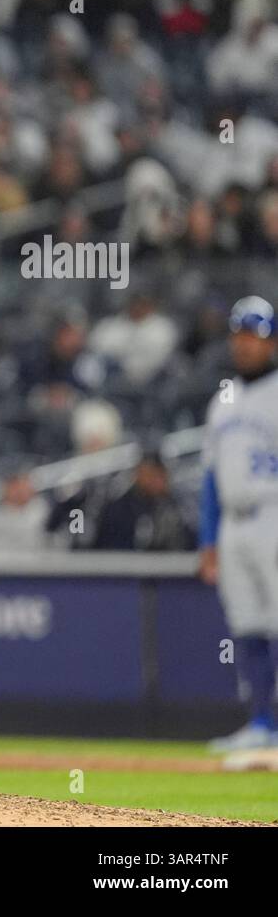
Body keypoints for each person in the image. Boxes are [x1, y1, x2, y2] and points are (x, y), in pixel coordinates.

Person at [199, 296, 278, 752]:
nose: (246, 344)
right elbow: (209, 477)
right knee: (248, 622)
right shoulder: (222, 400)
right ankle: (261, 723)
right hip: (233, 522)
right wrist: (208, 540)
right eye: (240, 335)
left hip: (273, 514)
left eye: (255, 335)